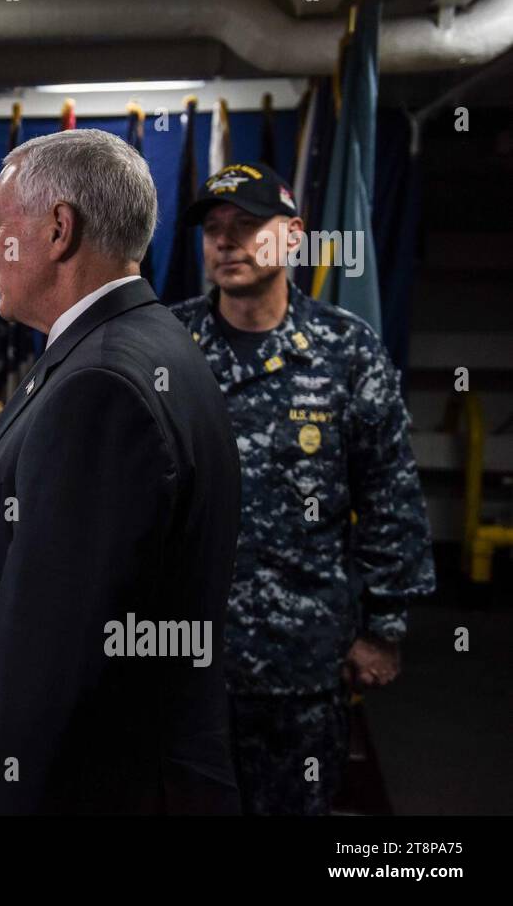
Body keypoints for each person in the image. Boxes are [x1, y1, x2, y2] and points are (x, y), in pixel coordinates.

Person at [0, 129, 243, 814]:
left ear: (59, 229)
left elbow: (53, 681)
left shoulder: (101, 388)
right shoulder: (138, 343)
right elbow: (63, 610)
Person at [169, 162, 437, 815]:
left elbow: (388, 494)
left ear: (292, 238)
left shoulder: (347, 351)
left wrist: (384, 626)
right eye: (213, 229)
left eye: (245, 226)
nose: (225, 242)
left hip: (302, 661)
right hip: (182, 659)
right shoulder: (167, 345)